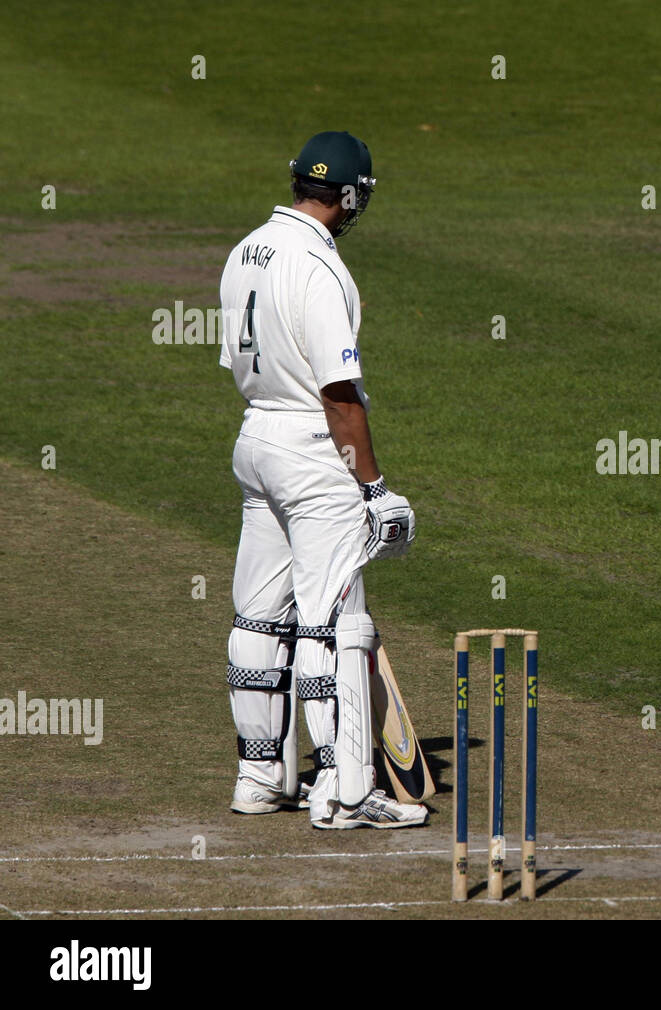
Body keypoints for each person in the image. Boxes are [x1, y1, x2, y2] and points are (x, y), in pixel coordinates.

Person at [218, 131, 426, 828]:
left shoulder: (247, 248)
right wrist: (374, 489)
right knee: (337, 622)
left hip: (256, 438)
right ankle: (343, 790)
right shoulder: (319, 266)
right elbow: (340, 393)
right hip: (311, 448)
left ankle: (259, 776)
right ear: (347, 195)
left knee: (258, 615)